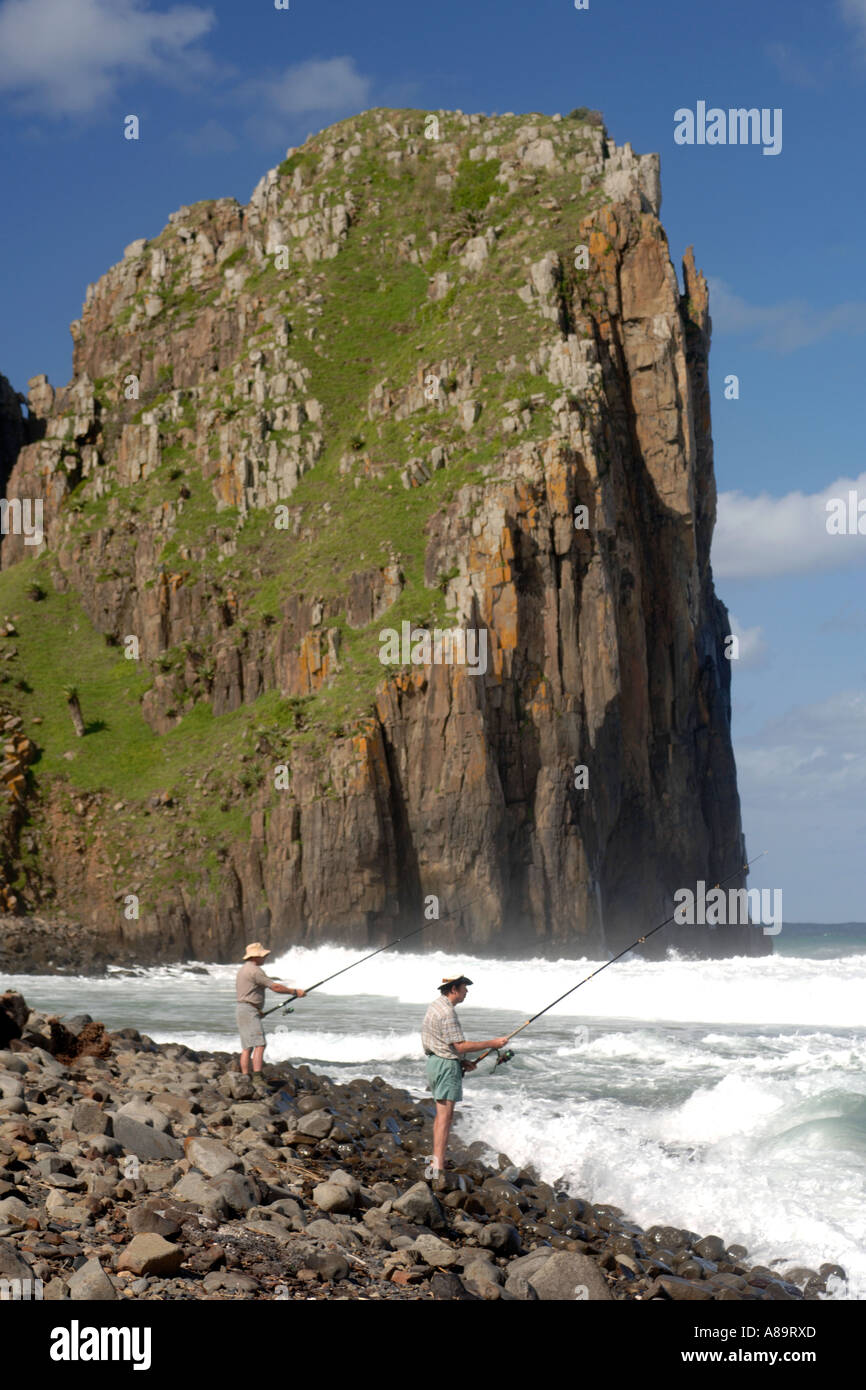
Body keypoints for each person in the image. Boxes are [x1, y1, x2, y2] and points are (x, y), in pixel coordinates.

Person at [420, 975, 509, 1175]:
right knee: (445, 1117)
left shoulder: (435, 1005)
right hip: (445, 1066)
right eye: (464, 987)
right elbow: (459, 1045)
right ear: (453, 989)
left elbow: (442, 1042)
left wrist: (461, 1061)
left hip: (436, 1063)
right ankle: (438, 1165)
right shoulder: (447, 1012)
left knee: (441, 1115)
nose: (466, 991)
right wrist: (492, 1043)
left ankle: (436, 1161)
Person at [235, 942, 305, 1089]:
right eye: (263, 955)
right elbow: (276, 987)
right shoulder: (255, 971)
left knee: (247, 1047)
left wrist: (257, 1010)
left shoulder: (243, 969)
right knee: (260, 1044)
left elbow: (248, 994)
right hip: (249, 1011)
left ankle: (245, 1076)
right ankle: (257, 1078)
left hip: (244, 1009)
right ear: (256, 956)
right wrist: (294, 992)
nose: (265, 957)